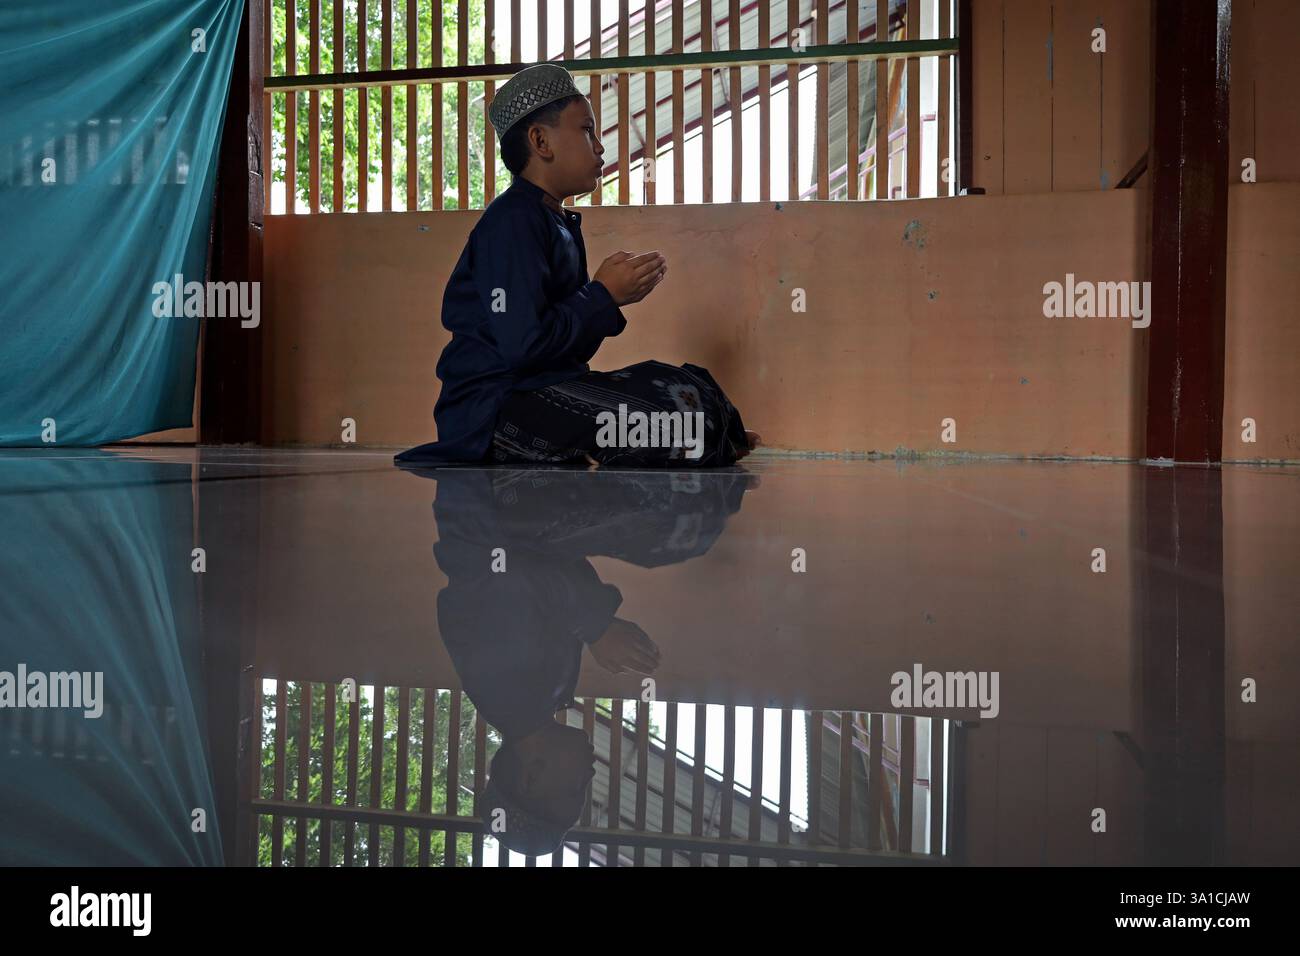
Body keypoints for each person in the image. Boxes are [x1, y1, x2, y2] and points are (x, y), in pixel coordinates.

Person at [394, 62, 760, 468]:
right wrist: (601, 295)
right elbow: (523, 349)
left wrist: (609, 300)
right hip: (497, 410)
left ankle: (712, 431)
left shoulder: (557, 222)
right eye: (587, 130)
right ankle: (699, 433)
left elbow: (565, 349)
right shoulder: (513, 221)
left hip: (543, 388)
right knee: (680, 414)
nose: (600, 146)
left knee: (681, 383)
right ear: (541, 141)